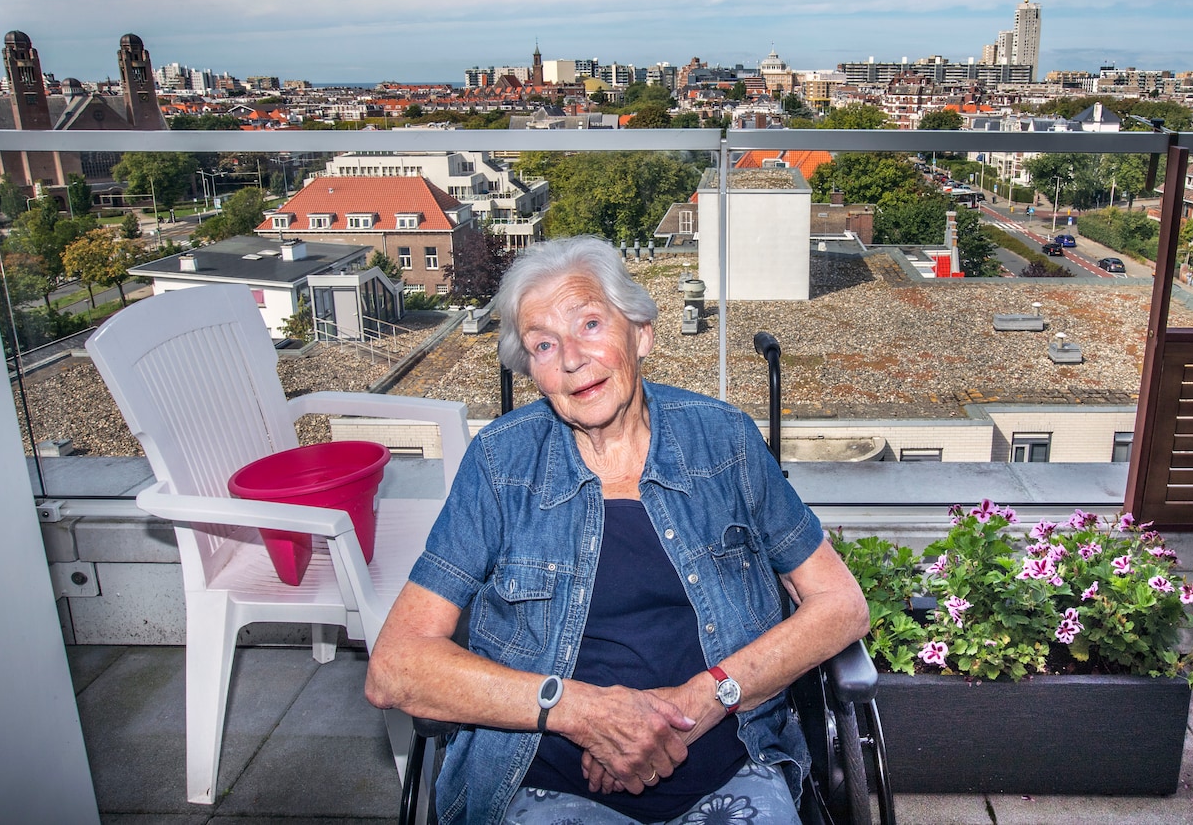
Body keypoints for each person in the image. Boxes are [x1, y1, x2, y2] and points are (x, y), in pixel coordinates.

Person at [366, 236, 868, 824]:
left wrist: (699, 702)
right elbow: (394, 668)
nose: (572, 358)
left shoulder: (725, 441)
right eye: (544, 344)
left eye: (590, 324)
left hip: (731, 767)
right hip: (543, 780)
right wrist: (583, 713)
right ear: (531, 371)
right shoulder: (500, 465)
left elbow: (842, 605)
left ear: (641, 333)